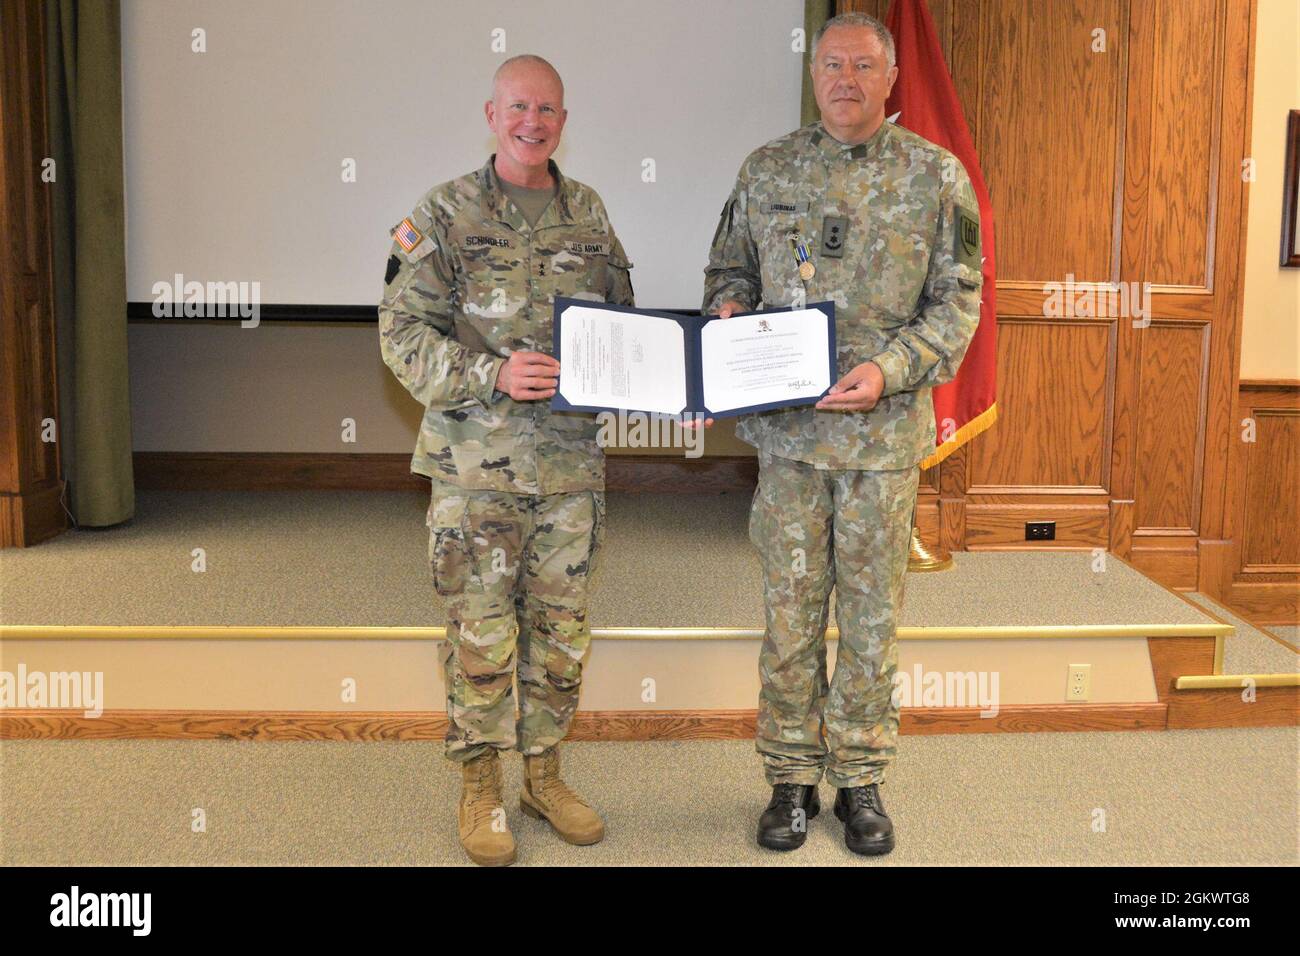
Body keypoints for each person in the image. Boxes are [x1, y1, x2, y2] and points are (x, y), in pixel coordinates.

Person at [702, 12, 982, 855]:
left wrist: (891, 370)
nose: (845, 79)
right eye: (831, 64)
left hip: (884, 449)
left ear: (890, 77)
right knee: (789, 615)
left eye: (863, 64)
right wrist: (728, 313)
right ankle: (790, 780)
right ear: (813, 73)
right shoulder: (768, 168)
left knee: (868, 622)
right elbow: (728, 271)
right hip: (789, 447)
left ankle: (860, 778)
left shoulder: (937, 178)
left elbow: (959, 302)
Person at [379, 54, 634, 866]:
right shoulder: (444, 214)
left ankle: (545, 775)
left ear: (564, 119)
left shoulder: (588, 211)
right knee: (481, 635)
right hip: (473, 471)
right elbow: (402, 335)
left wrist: (665, 380)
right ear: (492, 113)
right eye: (520, 106)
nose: (535, 121)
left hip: (566, 475)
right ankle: (481, 785)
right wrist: (489, 374)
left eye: (549, 109)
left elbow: (624, 326)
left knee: (560, 633)